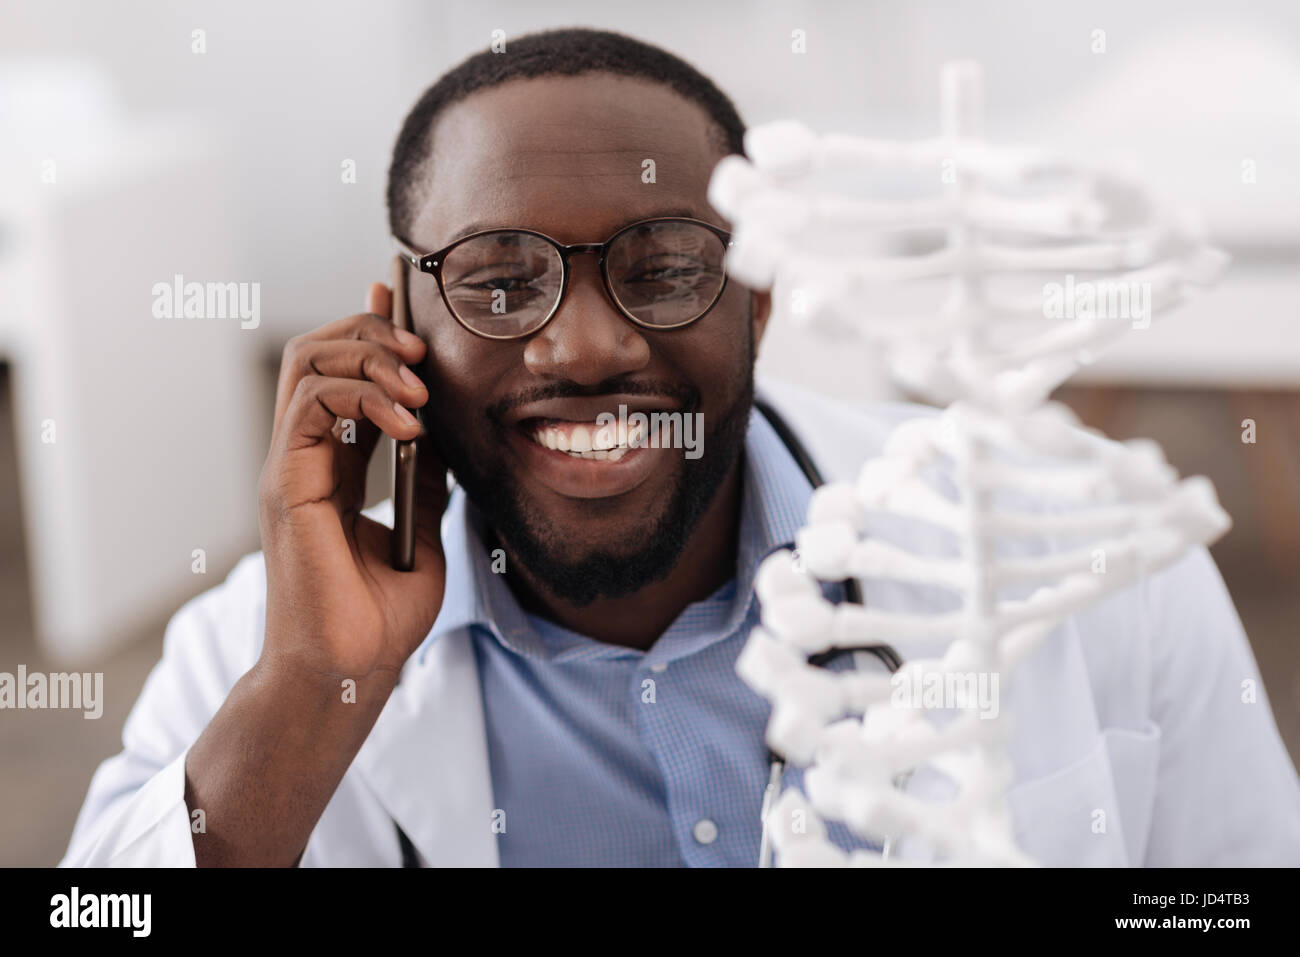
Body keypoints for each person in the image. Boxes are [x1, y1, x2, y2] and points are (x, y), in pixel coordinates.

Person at [62, 27, 1300, 867]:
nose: (586, 346)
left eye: (663, 267)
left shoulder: (1087, 566)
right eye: (500, 281)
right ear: (400, 318)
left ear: (757, 294)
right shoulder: (266, 646)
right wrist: (310, 695)